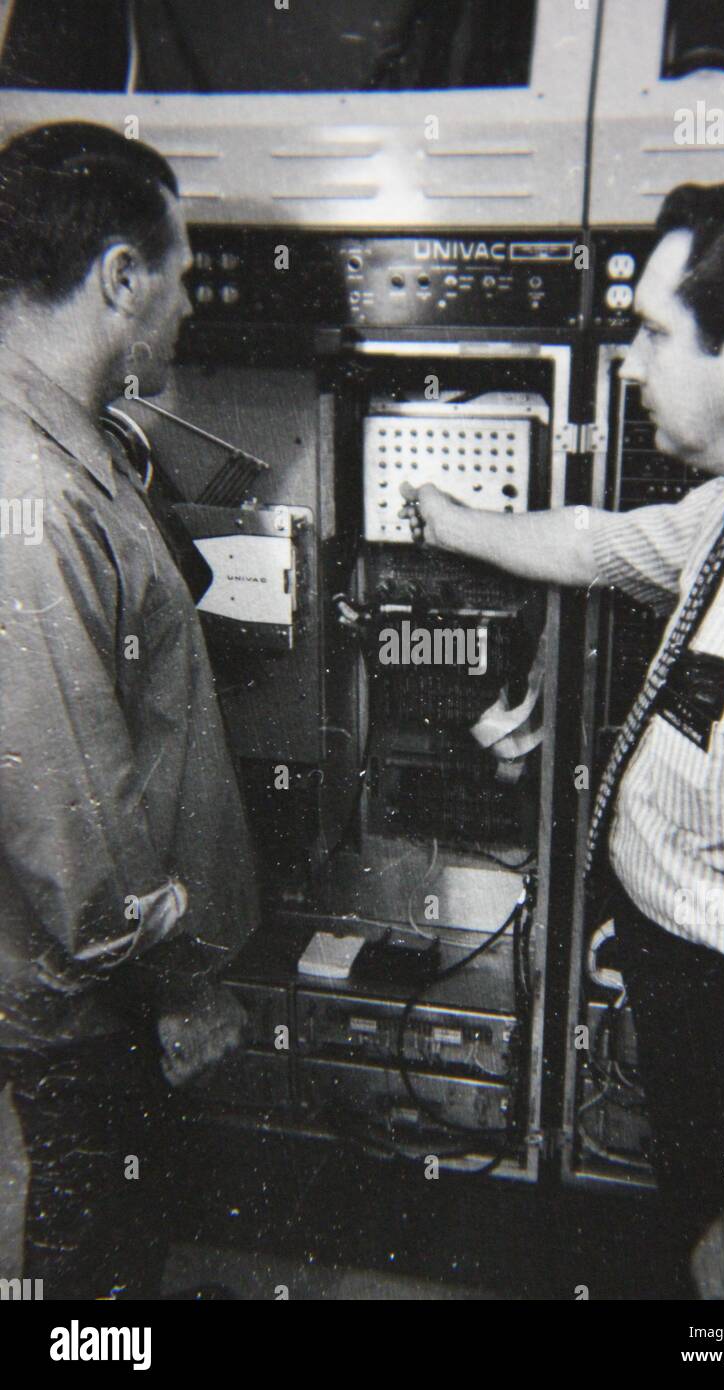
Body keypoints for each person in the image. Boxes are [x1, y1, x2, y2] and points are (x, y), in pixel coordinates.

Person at [400, 174, 724, 1300]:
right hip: (701, 1009)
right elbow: (605, 545)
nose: (629, 362)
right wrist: (448, 517)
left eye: (656, 333)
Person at [0, 122, 258, 1299]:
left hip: (90, 997)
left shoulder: (79, 445)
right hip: (76, 1018)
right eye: (183, 275)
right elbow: (73, 823)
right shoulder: (32, 497)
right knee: (91, 1283)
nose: (189, 307)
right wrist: (183, 991)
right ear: (119, 278)